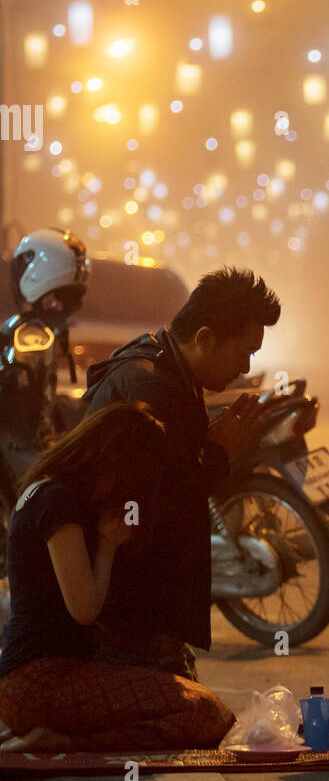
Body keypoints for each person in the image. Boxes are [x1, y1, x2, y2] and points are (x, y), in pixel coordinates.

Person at [80, 266, 281, 681]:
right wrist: (219, 452)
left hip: (150, 619)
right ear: (205, 338)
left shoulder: (170, 370)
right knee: (198, 722)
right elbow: (155, 504)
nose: (244, 367)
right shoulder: (147, 387)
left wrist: (213, 448)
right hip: (127, 623)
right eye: (242, 351)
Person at [0, 402, 235, 753]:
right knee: (205, 713)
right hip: (39, 682)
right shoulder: (56, 501)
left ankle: (51, 736)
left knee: (205, 705)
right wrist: (108, 545)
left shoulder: (47, 490)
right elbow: (84, 608)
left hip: (41, 681)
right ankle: (59, 741)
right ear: (114, 461)